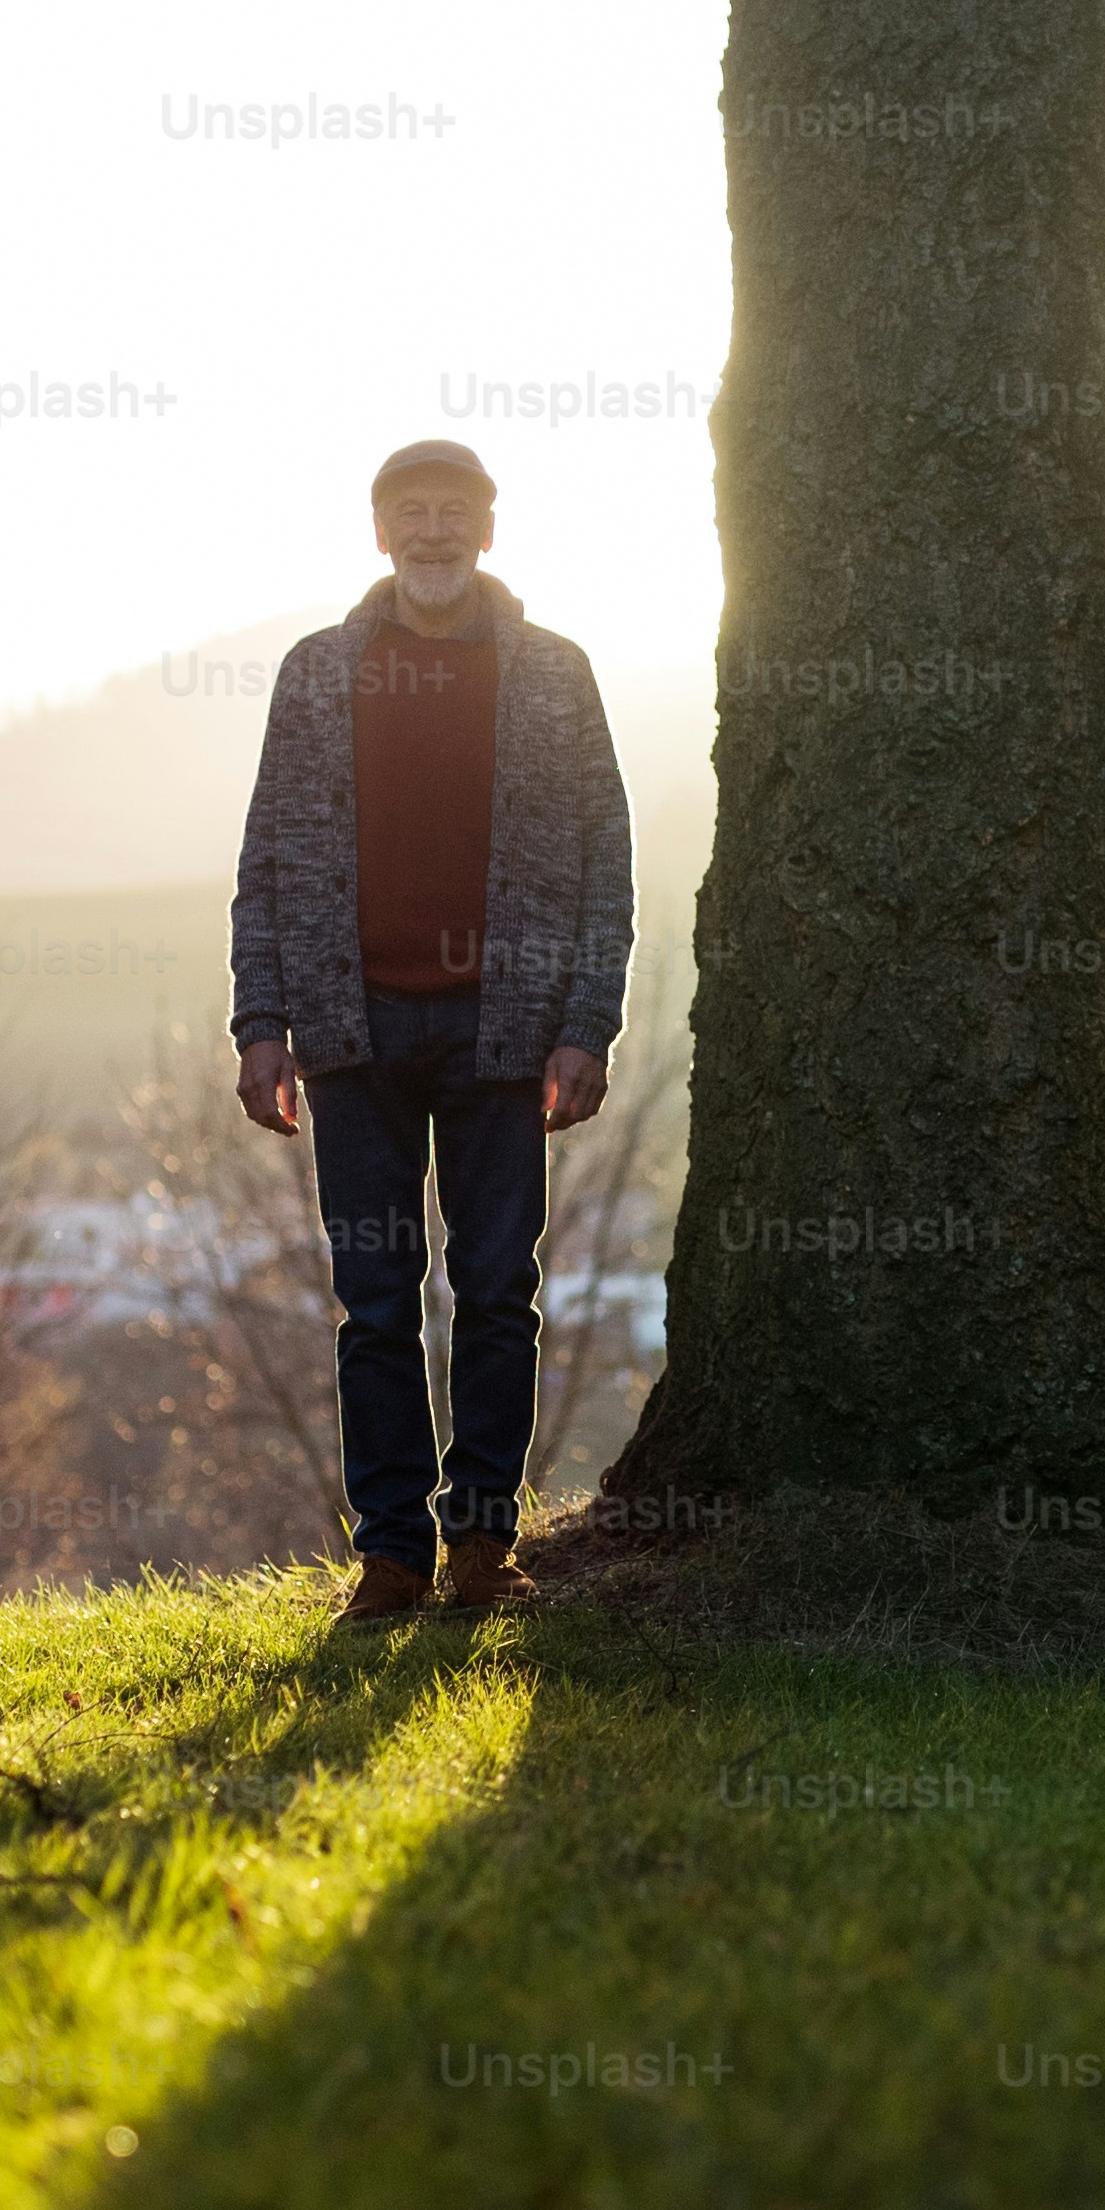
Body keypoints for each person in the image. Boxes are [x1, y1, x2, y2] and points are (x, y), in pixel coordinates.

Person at [231, 437, 635, 1622]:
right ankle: (391, 1557)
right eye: (409, 510)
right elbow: (263, 860)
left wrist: (586, 1025)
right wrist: (261, 1024)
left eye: (454, 509)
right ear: (379, 533)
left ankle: (481, 1546)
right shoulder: (315, 674)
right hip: (349, 1036)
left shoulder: (555, 674)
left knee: (499, 1291)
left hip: (503, 1038)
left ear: (489, 530)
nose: (433, 528)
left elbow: (605, 863)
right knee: (374, 1302)